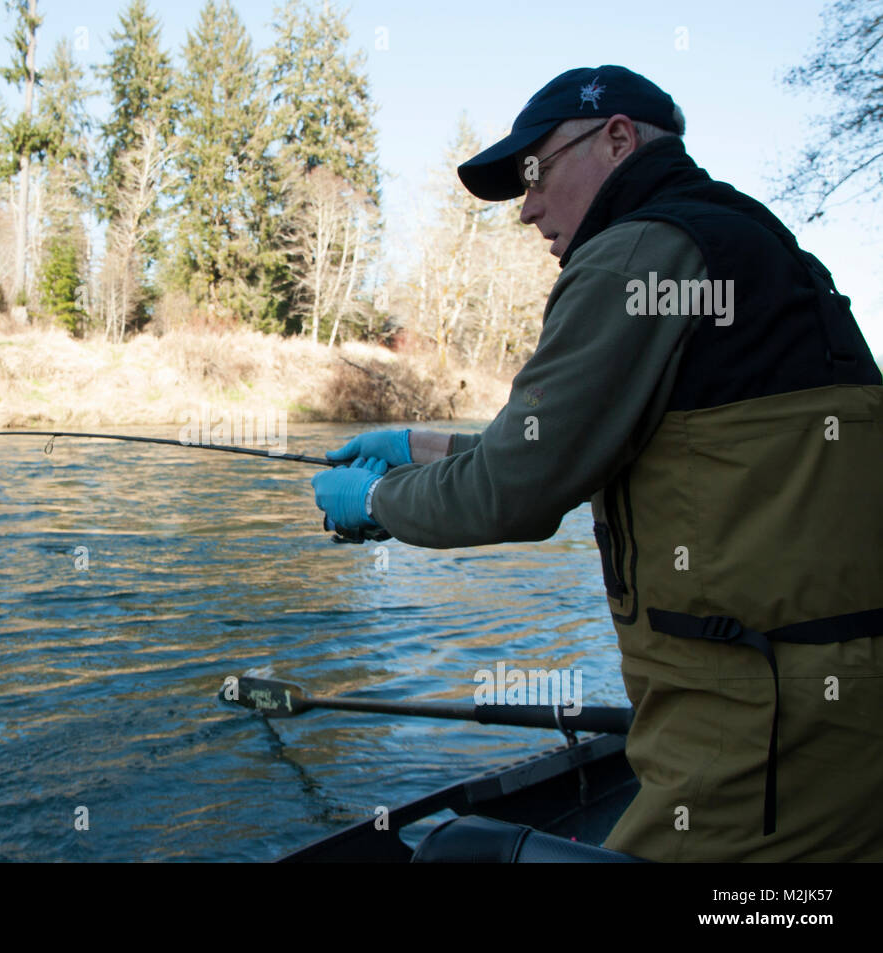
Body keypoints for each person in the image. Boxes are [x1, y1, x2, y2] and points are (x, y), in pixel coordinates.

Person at [311, 65, 883, 862]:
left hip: (757, 733)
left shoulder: (637, 256)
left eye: (537, 172)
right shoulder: (746, 239)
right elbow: (594, 449)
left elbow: (517, 488)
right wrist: (415, 447)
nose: (528, 208)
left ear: (618, 140)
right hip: (833, 711)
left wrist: (379, 502)